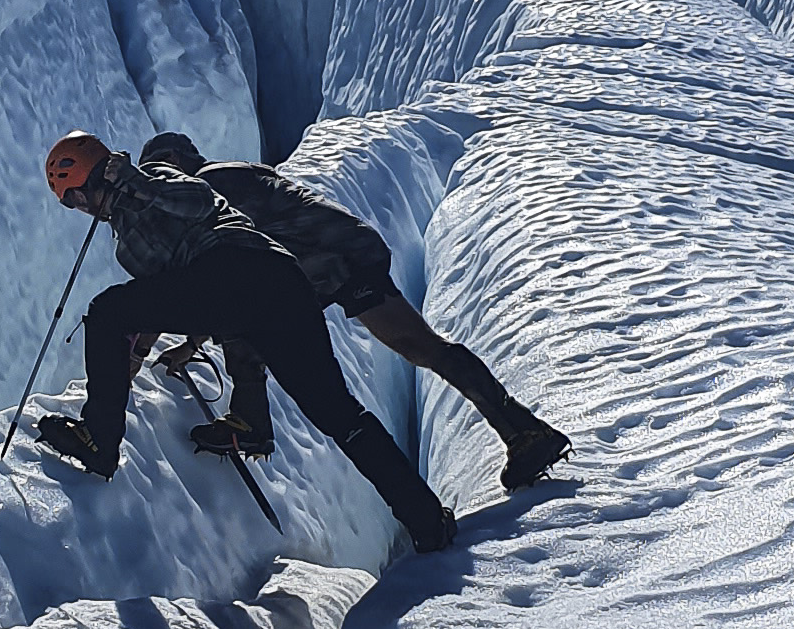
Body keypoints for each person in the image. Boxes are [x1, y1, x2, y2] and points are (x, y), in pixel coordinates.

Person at [28, 132, 460, 552]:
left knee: (106, 312)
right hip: (279, 289)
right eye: (74, 204)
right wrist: (141, 349)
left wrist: (134, 181)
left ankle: (98, 440)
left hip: (240, 270)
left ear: (99, 173)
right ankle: (425, 518)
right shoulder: (128, 237)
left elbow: (196, 201)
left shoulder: (154, 177)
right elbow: (167, 293)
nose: (84, 209)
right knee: (339, 414)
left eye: (80, 195)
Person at [136, 130, 569, 493]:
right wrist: (192, 342)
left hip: (330, 260)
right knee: (421, 347)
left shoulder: (213, 183)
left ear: (174, 161)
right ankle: (523, 430)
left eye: (159, 170)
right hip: (347, 253)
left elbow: (224, 266)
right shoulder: (230, 175)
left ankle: (249, 421)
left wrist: (182, 335)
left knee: (246, 311)